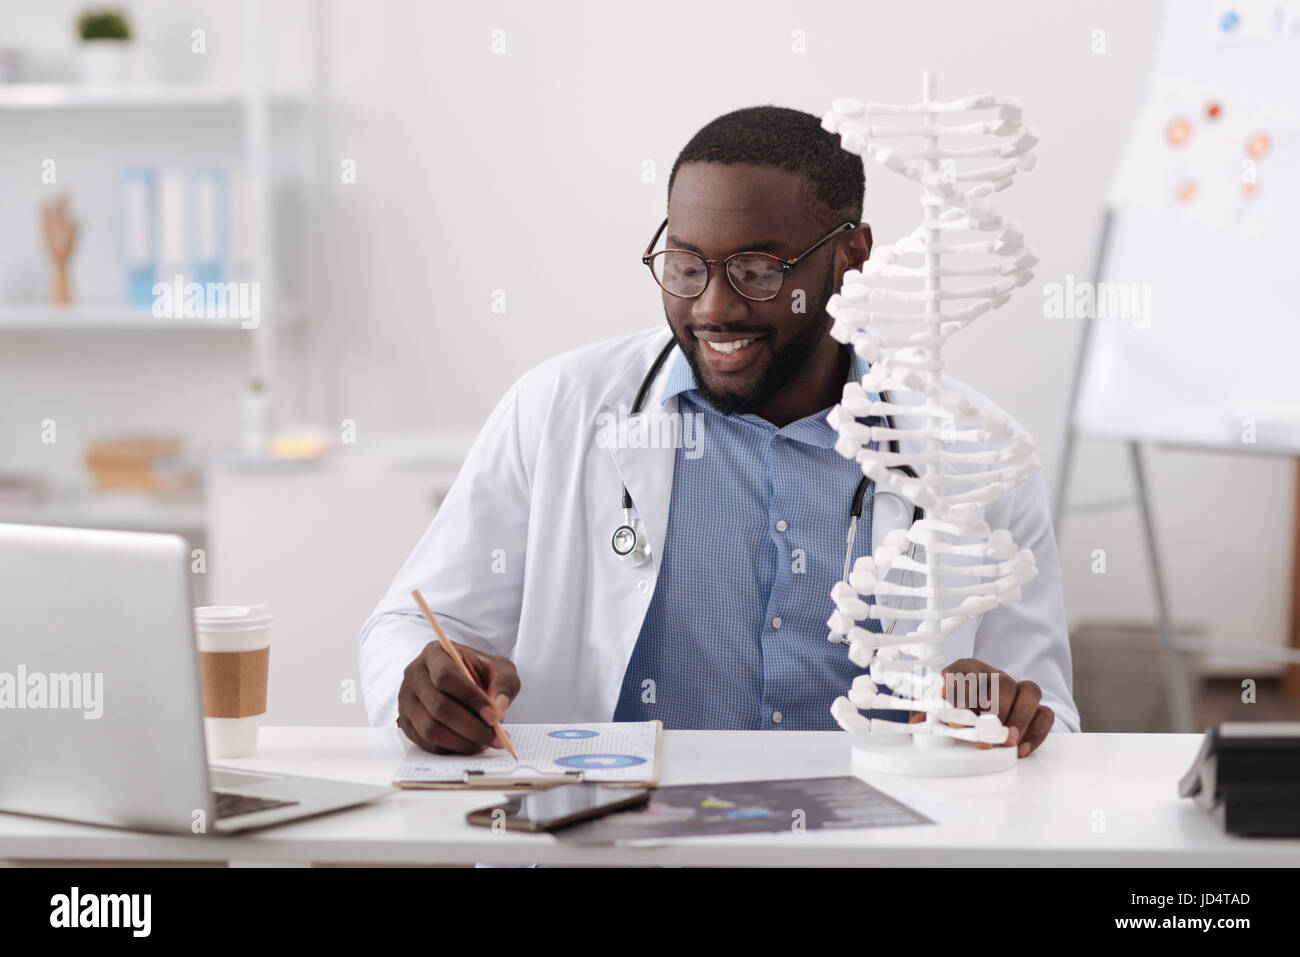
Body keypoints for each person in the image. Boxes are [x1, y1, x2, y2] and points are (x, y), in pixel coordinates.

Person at [360, 105, 1079, 760]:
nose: (713, 307)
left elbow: (1046, 720)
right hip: (612, 841)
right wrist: (419, 683)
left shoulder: (973, 456)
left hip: (868, 842)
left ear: (851, 255)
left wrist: (1002, 713)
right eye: (685, 265)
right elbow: (410, 625)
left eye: (758, 271)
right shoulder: (558, 409)